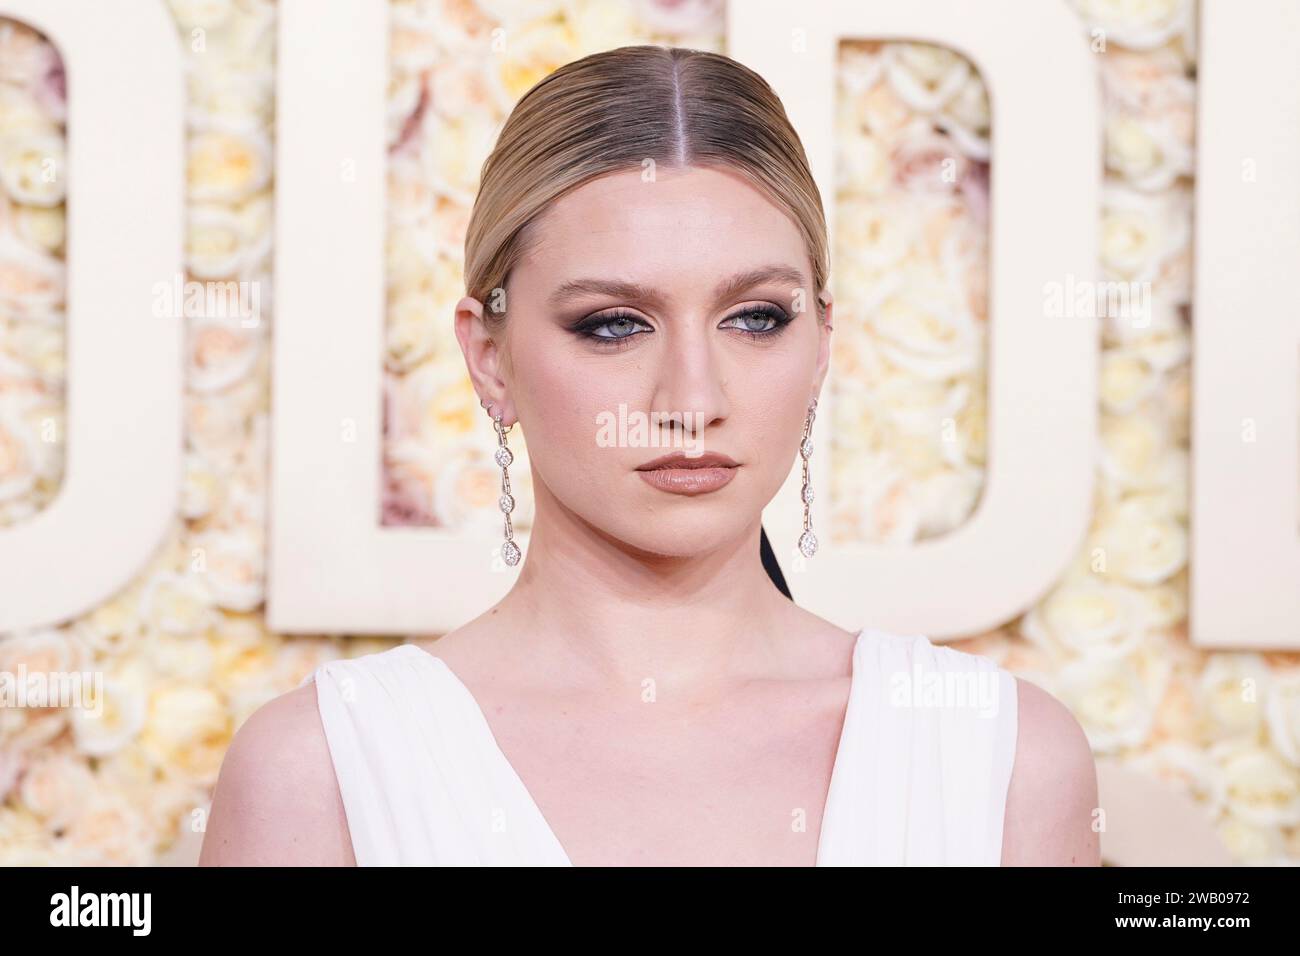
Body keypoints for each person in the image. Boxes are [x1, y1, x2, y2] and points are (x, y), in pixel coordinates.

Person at [199, 44, 1099, 867]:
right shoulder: (315, 774)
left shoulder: (1004, 757)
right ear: (489, 357)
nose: (693, 401)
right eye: (613, 325)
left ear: (821, 343)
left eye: (756, 318)